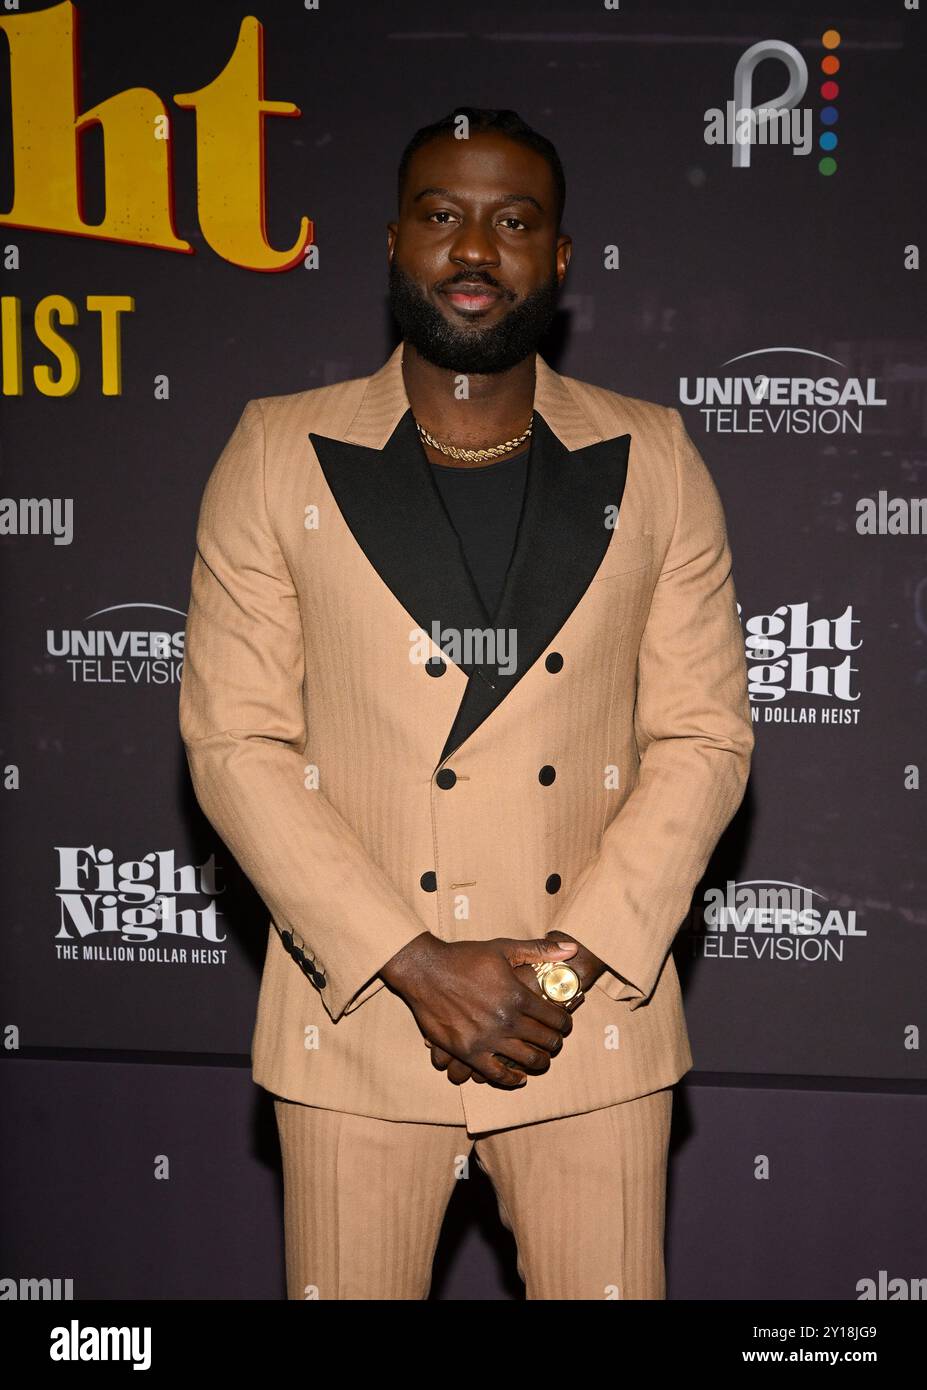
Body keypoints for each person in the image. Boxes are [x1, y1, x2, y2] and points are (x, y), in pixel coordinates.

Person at [178, 106, 754, 1300]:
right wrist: (421, 967)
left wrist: (553, 974)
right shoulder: (276, 452)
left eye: (512, 220)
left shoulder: (655, 458)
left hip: (586, 1026)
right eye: (443, 216)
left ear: (560, 257)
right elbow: (237, 743)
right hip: (361, 1030)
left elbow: (702, 736)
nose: (474, 249)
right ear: (393, 243)